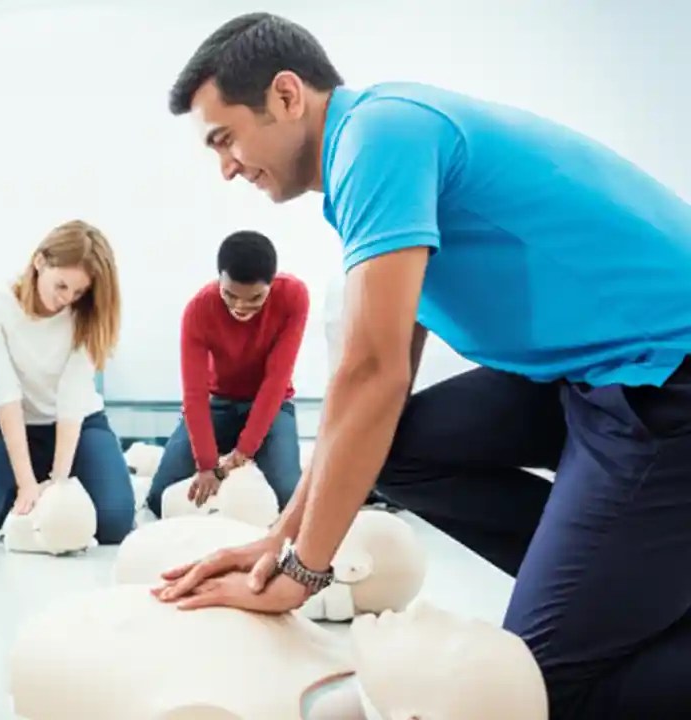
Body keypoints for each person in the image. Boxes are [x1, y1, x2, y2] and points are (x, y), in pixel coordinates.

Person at [151, 12, 691, 720]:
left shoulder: (379, 139)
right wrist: (281, 536)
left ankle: (627, 595)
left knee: (533, 689)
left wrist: (302, 575)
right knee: (392, 451)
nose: (225, 166)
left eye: (225, 138)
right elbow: (369, 392)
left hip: (662, 380)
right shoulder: (372, 153)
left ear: (286, 96)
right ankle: (634, 580)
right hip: (588, 380)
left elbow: (373, 375)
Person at [0, 220, 135, 547]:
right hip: (19, 424)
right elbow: (6, 395)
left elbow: (71, 397)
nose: (67, 299)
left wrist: (60, 484)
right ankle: (28, 483)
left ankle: (70, 477)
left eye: (79, 292)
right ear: (40, 262)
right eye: (61, 285)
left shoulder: (86, 315)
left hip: (81, 424)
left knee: (114, 523)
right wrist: (26, 484)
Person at [147, 230, 307, 516]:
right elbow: (194, 394)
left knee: (289, 498)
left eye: (255, 298)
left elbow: (276, 380)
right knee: (159, 497)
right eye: (229, 295)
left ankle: (268, 458)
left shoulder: (293, 296)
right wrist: (207, 464)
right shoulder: (198, 309)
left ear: (271, 284)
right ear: (219, 278)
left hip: (272, 404)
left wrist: (243, 451)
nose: (240, 307)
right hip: (217, 403)